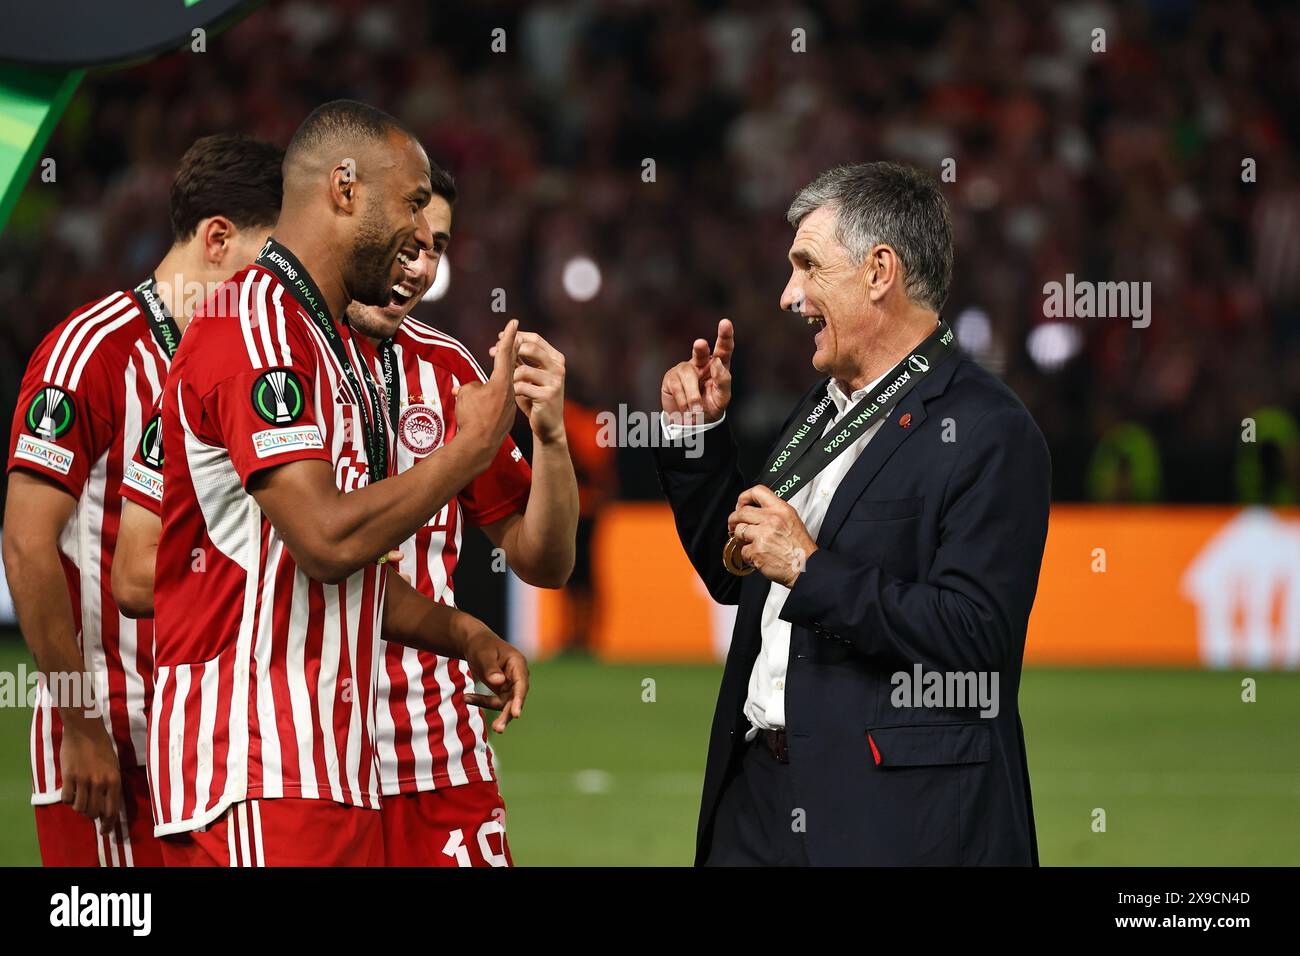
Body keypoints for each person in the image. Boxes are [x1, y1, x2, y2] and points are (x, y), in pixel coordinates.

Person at [149, 100, 528, 866]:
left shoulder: (323, 343)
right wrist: (467, 449)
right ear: (346, 190)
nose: (422, 235)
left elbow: (317, 569)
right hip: (254, 762)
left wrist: (460, 631)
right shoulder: (255, 326)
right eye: (413, 201)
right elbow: (326, 540)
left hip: (325, 765)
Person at [654, 161, 1051, 866]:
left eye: (808, 266)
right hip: (758, 798)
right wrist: (698, 439)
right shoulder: (822, 409)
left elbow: (976, 639)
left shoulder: (990, 430)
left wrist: (809, 569)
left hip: (889, 815)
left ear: (878, 271)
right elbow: (740, 575)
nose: (788, 295)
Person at [3, 134, 283, 866]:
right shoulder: (92, 351)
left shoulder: (252, 364)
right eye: (274, 259)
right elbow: (27, 544)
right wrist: (81, 725)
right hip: (114, 753)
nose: (284, 288)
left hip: (223, 752)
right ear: (218, 239)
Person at [345, 169, 577, 866]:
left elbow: (543, 560)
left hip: (438, 749)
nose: (418, 266)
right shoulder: (278, 355)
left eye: (436, 248)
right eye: (405, 244)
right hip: (309, 751)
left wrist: (552, 438)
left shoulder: (448, 368)